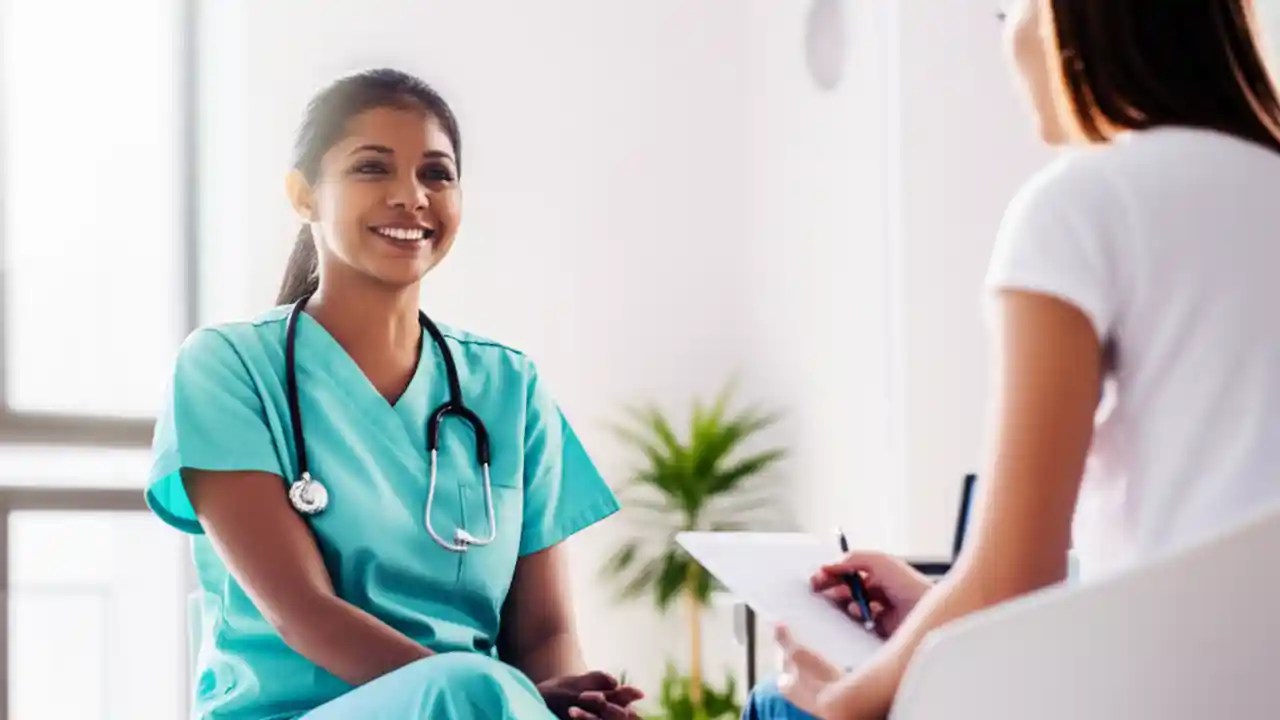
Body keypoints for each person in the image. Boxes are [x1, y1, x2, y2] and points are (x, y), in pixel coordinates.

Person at [746, 1, 1280, 718]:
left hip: (1151, 692)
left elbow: (1014, 576)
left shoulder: (1082, 205)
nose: (1012, 38)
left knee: (778, 704)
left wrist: (846, 703)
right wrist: (943, 606)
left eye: (1014, 8)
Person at [145, 68, 643, 720]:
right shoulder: (226, 368)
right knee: (472, 690)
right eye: (372, 169)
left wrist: (569, 706)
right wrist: (502, 699)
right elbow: (302, 613)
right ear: (303, 196)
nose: (411, 196)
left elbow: (545, 633)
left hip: (486, 709)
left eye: (436, 174)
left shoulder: (510, 387)